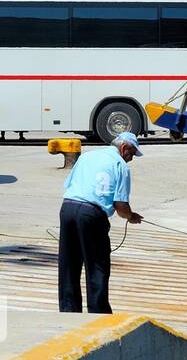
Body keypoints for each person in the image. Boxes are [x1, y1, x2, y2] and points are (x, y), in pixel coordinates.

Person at [58, 131, 144, 313]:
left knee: (69, 264)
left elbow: (69, 185)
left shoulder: (88, 156)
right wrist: (131, 216)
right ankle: (98, 313)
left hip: (68, 209)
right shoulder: (120, 165)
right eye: (132, 153)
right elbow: (121, 206)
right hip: (91, 214)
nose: (131, 159)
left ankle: (68, 311)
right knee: (97, 266)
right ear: (123, 148)